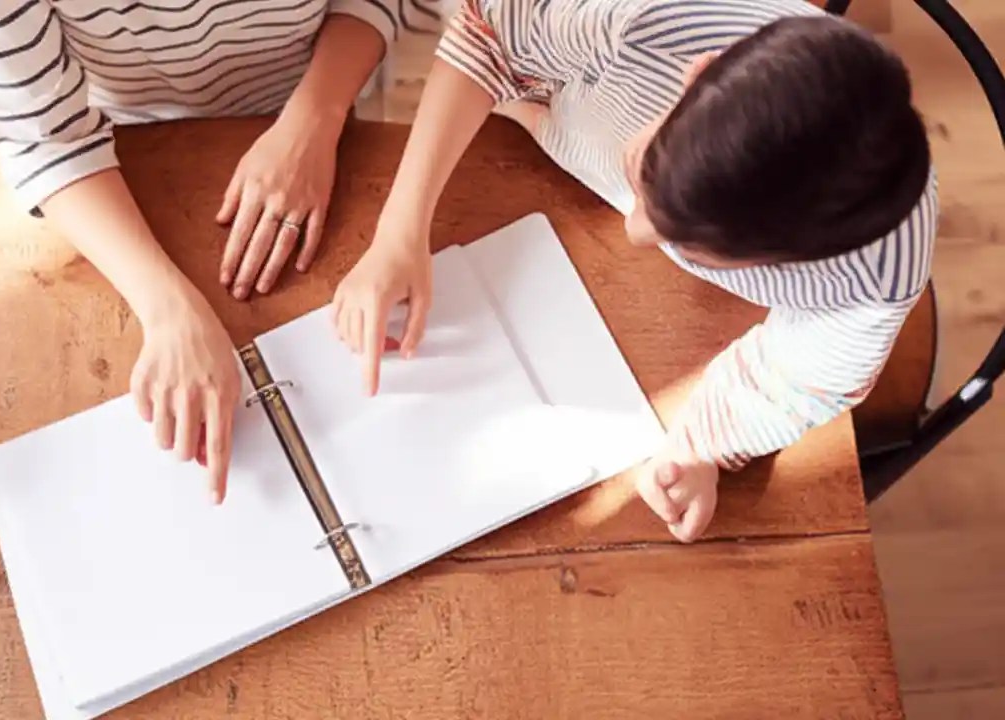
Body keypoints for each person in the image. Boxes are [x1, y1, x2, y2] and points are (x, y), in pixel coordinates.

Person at [332, 0, 936, 542]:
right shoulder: (644, 21)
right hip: (552, 104)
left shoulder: (871, 286)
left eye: (686, 244)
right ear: (698, 73)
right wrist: (400, 232)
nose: (634, 229)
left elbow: (794, 382)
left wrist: (703, 451)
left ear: (783, 262)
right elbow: (487, 38)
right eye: (645, 169)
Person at [0, 0, 440, 503]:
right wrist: (168, 312)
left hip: (324, 88)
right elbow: (41, 138)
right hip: (127, 145)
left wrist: (315, 117)